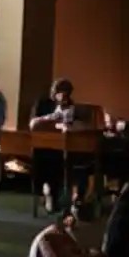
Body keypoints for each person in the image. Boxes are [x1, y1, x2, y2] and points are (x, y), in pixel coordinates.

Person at [29, 79, 80, 213]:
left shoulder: (69, 105)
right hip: (41, 143)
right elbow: (34, 123)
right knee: (41, 159)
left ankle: (53, 194)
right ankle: (43, 191)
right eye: (56, 91)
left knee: (58, 161)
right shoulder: (42, 103)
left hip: (58, 145)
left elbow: (69, 121)